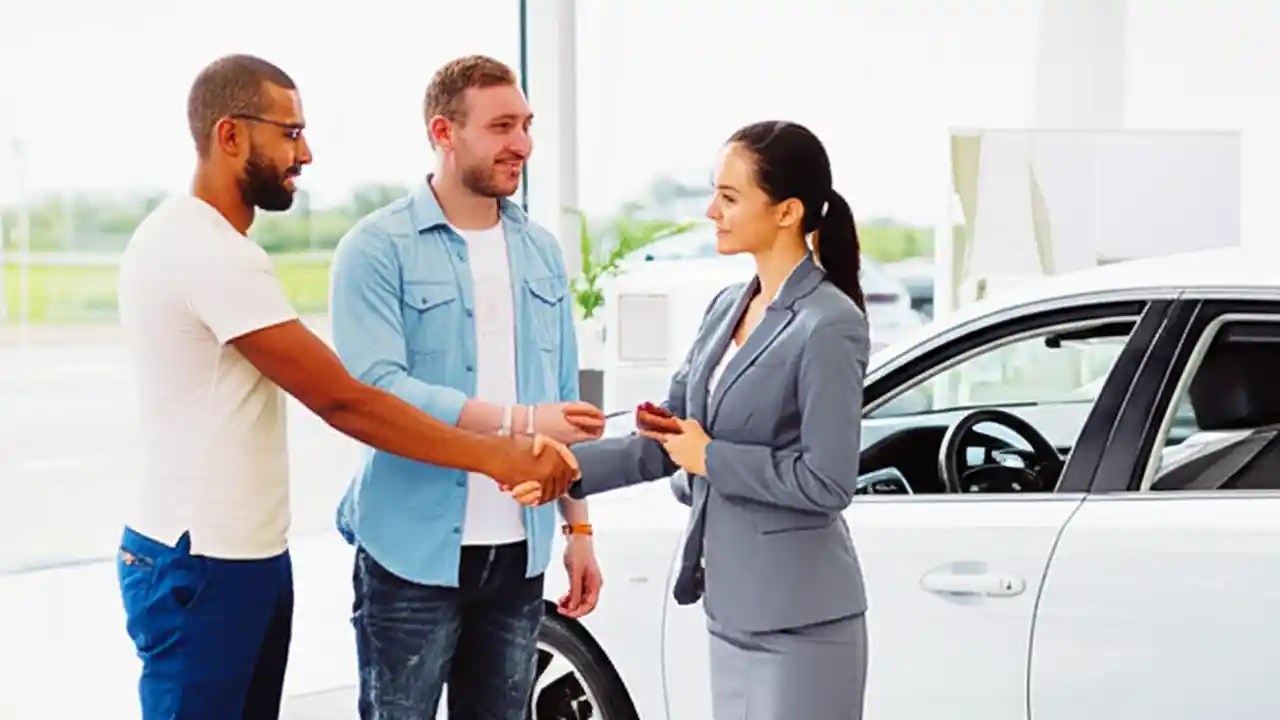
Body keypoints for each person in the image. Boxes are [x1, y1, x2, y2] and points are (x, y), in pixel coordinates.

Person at [114, 54, 578, 720]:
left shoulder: (204, 241)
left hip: (238, 555)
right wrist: (499, 451)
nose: (303, 152)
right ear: (230, 136)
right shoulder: (207, 250)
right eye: (289, 132)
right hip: (201, 559)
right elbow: (345, 399)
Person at [511, 120, 872, 719]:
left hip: (803, 620)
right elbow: (668, 437)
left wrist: (710, 458)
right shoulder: (727, 307)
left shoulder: (828, 323)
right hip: (729, 608)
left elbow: (828, 481)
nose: (711, 211)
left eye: (729, 198)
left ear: (787, 212)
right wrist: (564, 469)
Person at [327, 54, 605, 720]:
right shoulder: (376, 248)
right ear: (444, 133)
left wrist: (580, 529)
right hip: (409, 553)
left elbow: (562, 400)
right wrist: (517, 420)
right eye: (502, 126)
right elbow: (376, 389)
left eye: (527, 125)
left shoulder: (540, 250)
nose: (523, 144)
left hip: (519, 553)